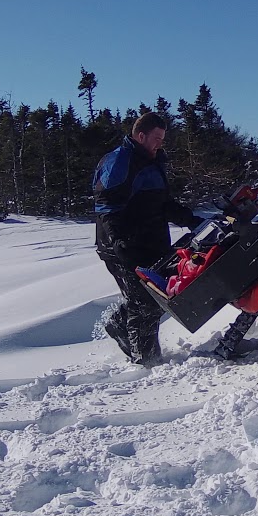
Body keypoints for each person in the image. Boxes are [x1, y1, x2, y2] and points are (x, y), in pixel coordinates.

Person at [93, 112, 202, 364]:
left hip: (151, 243)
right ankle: (146, 362)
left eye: (163, 139)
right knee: (145, 303)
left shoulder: (152, 161)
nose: (160, 144)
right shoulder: (120, 161)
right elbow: (107, 207)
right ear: (140, 135)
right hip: (124, 246)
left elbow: (160, 203)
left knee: (153, 300)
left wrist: (191, 221)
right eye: (156, 138)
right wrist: (120, 243)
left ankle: (119, 326)